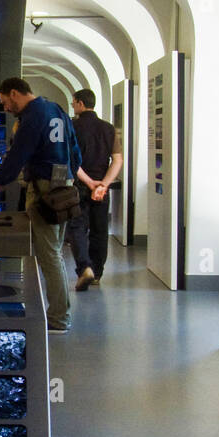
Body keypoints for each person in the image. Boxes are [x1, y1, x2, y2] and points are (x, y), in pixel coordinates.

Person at [0, 78, 95, 333]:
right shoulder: (58, 110)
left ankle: (59, 318)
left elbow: (14, 161)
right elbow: (75, 153)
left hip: (44, 191)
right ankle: (58, 312)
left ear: (15, 93)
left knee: (49, 255)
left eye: (5, 102)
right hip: (64, 190)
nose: (5, 107)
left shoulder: (32, 117)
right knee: (54, 253)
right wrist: (69, 177)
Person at [68, 88, 124, 291]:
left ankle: (85, 267)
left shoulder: (72, 127)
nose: (73, 106)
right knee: (100, 230)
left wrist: (88, 181)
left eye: (74, 103)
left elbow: (71, 161)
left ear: (81, 103)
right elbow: (117, 160)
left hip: (79, 186)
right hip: (101, 187)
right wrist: (103, 184)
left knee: (77, 227)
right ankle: (97, 273)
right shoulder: (108, 129)